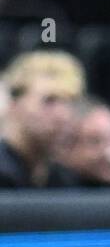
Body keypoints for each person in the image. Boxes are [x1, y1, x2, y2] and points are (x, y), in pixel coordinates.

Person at [0, 50, 84, 188]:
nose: (64, 115)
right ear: (14, 104)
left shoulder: (61, 177)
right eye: (49, 101)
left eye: (70, 102)